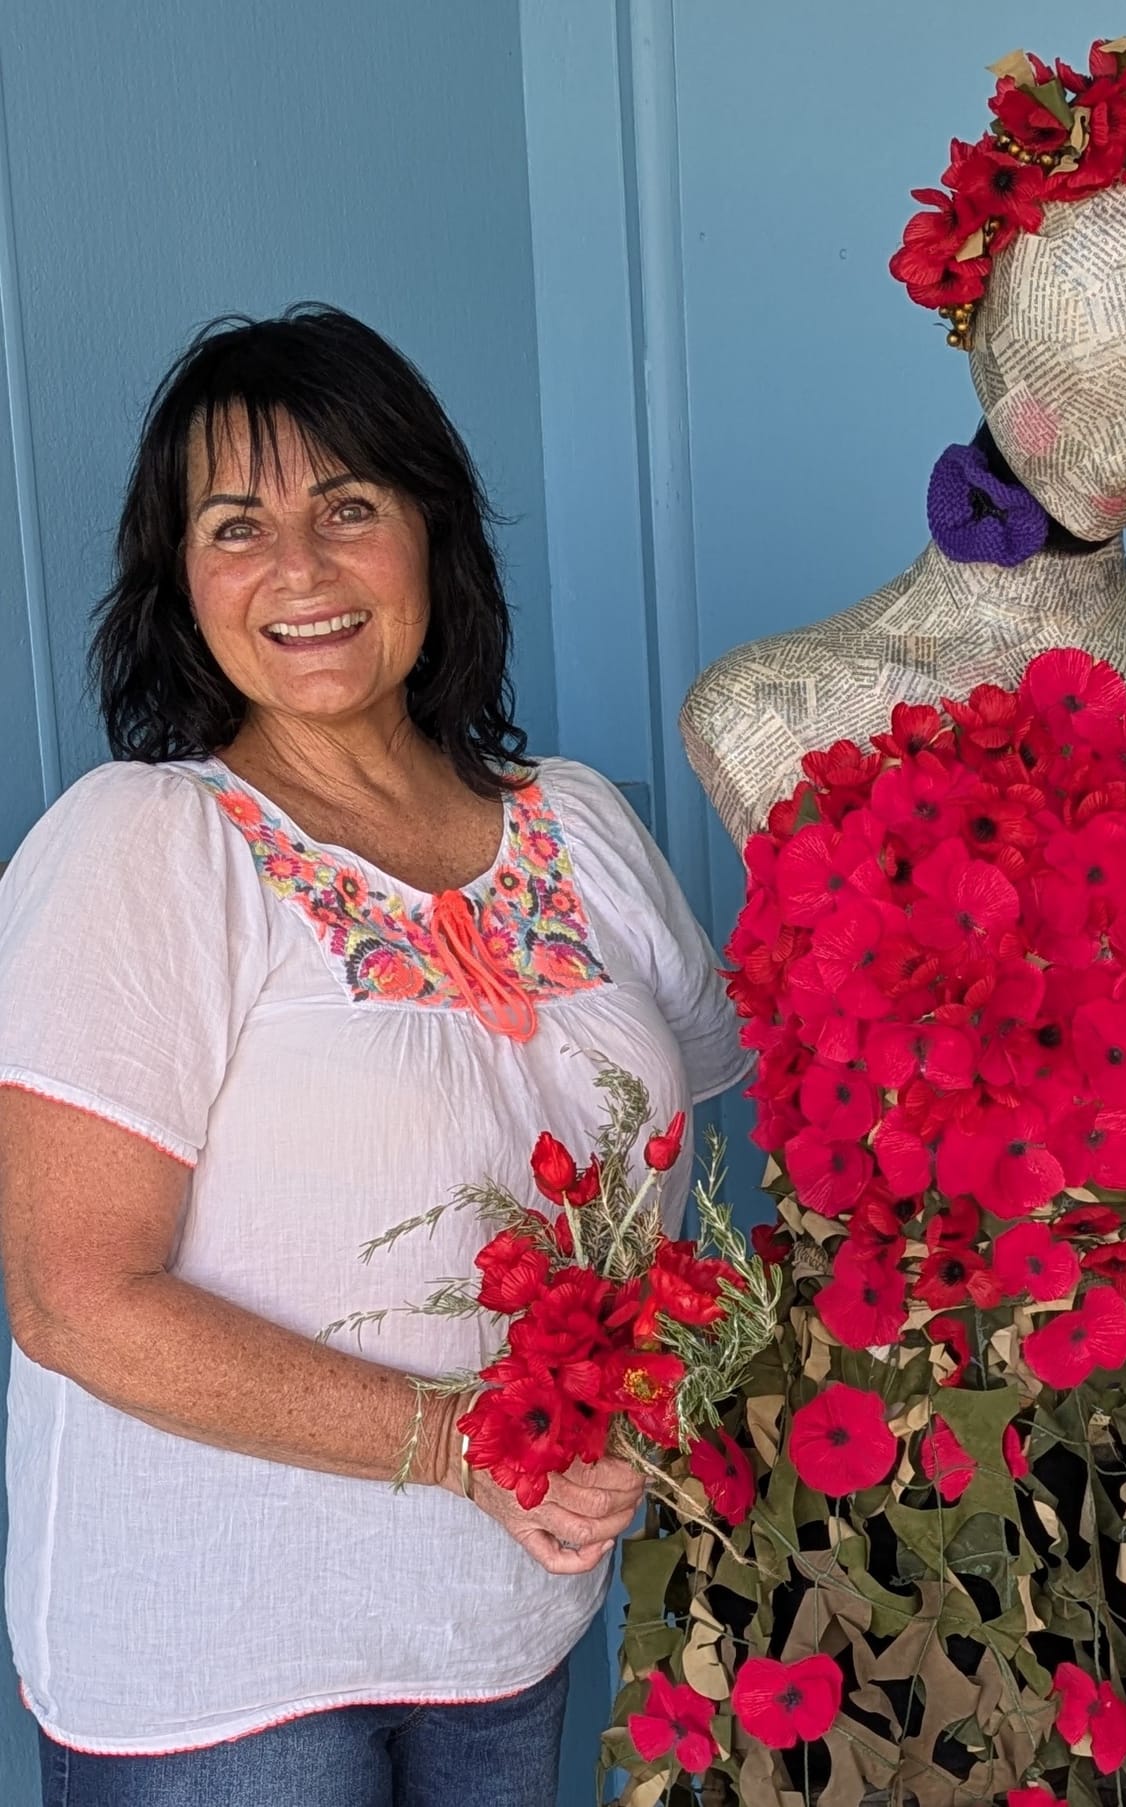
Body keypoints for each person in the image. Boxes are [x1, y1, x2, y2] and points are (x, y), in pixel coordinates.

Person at [0, 306, 748, 1805]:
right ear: (181, 582)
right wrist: (468, 1443)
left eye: (347, 507)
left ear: (431, 533)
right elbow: (75, 1299)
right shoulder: (148, 845)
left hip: (507, 1625)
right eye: (236, 526)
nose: (300, 568)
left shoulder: (579, 824)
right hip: (225, 1670)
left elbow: (674, 1177)